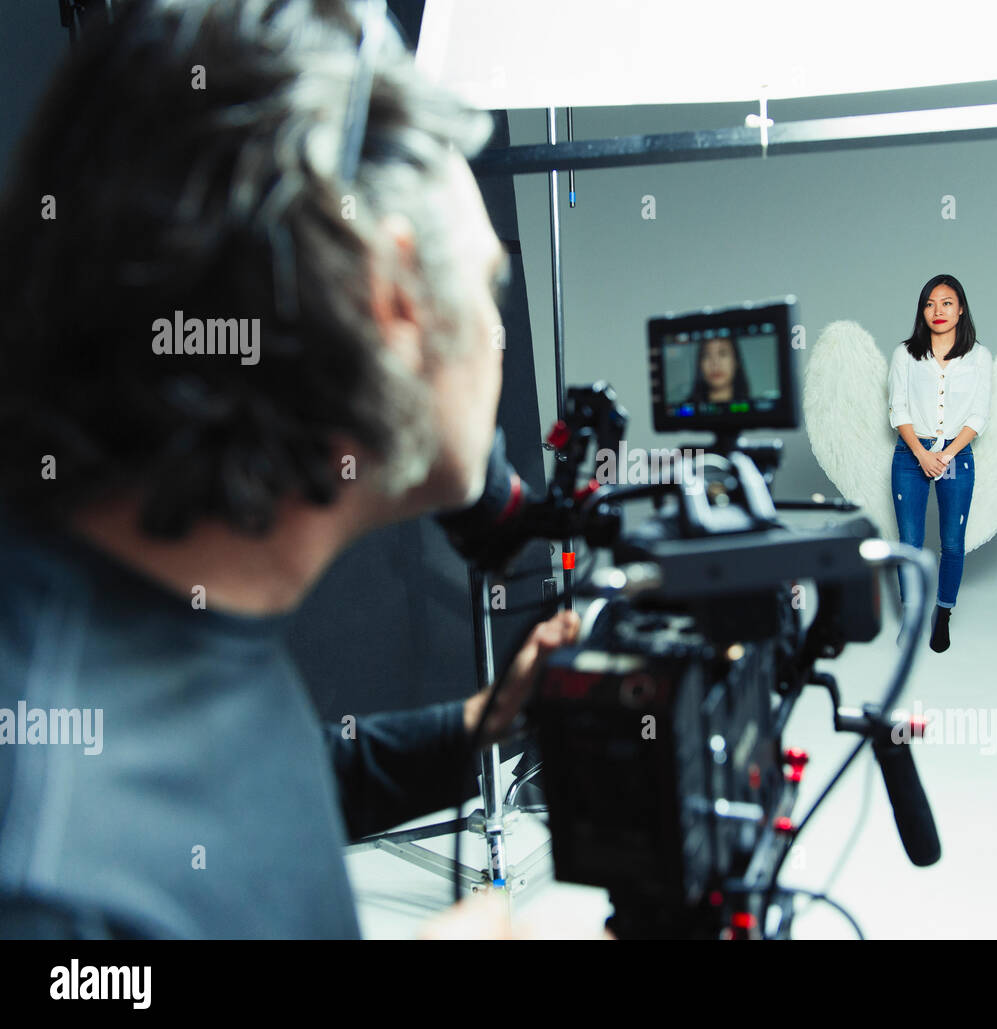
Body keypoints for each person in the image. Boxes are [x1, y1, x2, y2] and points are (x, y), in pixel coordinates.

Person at [0, 0, 578, 938]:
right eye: (488, 283)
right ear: (393, 298)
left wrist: (481, 723)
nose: (500, 332)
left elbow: (255, 786)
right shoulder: (50, 878)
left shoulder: (146, 614)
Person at [887, 274, 992, 653]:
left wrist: (946, 455)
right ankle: (911, 616)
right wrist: (921, 453)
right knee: (910, 543)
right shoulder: (905, 354)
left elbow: (979, 415)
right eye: (930, 303)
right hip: (911, 452)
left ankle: (942, 615)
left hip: (956, 454)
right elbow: (897, 408)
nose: (938, 311)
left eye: (947, 302)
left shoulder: (979, 357)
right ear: (922, 310)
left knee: (952, 543)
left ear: (961, 308)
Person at [687, 335, 750, 406]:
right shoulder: (687, 408)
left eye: (722, 353)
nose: (715, 363)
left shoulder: (749, 404)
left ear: (736, 361)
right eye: (706, 355)